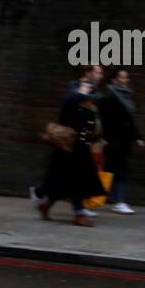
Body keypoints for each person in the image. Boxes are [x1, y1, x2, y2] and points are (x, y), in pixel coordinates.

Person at [32, 64, 106, 227]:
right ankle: (78, 213)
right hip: (69, 143)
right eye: (98, 72)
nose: (101, 75)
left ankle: (45, 203)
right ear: (88, 73)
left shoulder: (94, 93)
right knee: (76, 178)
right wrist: (82, 93)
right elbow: (66, 104)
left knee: (64, 179)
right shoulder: (76, 87)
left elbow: (96, 107)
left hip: (82, 142)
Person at [99, 67, 145, 214]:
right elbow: (103, 120)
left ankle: (107, 199)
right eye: (122, 78)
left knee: (114, 170)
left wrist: (137, 137)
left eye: (126, 78)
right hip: (112, 140)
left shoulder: (126, 97)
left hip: (123, 140)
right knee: (114, 170)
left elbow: (129, 121)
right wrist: (103, 138)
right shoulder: (109, 97)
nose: (126, 80)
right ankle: (117, 201)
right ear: (114, 80)